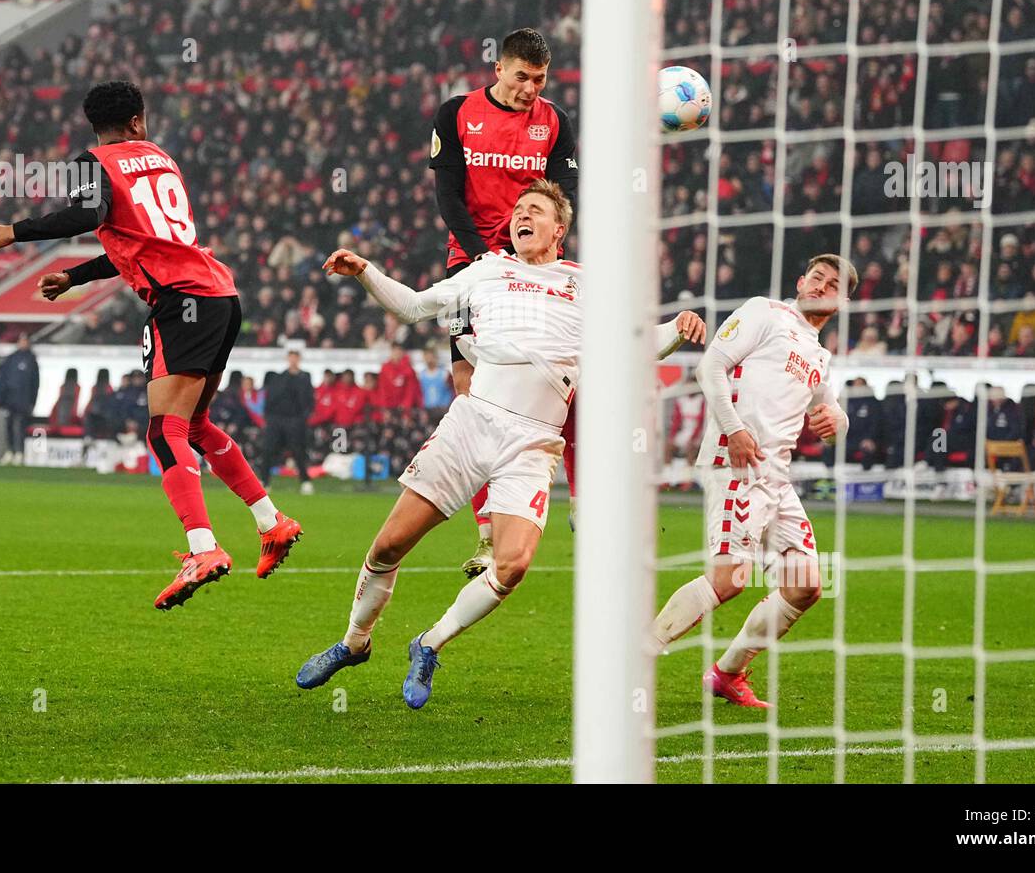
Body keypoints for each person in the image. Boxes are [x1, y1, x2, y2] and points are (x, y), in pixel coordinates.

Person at [295, 180, 705, 709]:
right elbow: (416, 307)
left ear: (559, 229)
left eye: (534, 210)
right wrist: (365, 272)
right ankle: (354, 642)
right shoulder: (487, 269)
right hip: (472, 424)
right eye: (517, 210)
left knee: (511, 565)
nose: (521, 216)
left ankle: (429, 643)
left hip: (533, 442)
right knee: (388, 546)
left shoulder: (586, 284)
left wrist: (678, 326)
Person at [0, 80, 302, 609]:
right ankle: (271, 520)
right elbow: (142, 242)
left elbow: (87, 215)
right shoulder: (161, 158)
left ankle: (203, 549)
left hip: (180, 301)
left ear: (94, 125)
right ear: (138, 121)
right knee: (194, 426)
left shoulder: (92, 162)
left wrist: (14, 230)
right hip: (219, 294)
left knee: (164, 430)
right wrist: (75, 276)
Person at [650, 254, 856, 709]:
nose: (821, 286)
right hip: (736, 463)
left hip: (777, 478)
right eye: (816, 277)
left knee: (806, 585)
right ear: (800, 282)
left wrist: (836, 422)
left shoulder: (819, 356)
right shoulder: (765, 312)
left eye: (833, 285)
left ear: (842, 302)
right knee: (729, 580)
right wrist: (735, 429)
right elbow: (710, 367)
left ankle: (727, 673)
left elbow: (832, 415)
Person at [429, 28, 579, 577]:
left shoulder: (555, 122)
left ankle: (580, 500)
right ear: (499, 69)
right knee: (469, 387)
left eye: (539, 80)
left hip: (534, 265)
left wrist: (532, 256)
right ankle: (487, 535)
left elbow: (565, 198)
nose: (530, 89)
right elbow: (448, 196)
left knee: (562, 379)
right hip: (470, 263)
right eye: (522, 77)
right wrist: (481, 258)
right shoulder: (456, 113)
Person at [262, 350, 315, 494]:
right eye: (291, 357)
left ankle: (305, 481)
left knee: (298, 451)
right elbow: (270, 398)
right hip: (276, 419)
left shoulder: (305, 378)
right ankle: (264, 481)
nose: (293, 360)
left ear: (299, 359)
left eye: (295, 357)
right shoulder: (279, 378)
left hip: (295, 420)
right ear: (287, 359)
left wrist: (302, 419)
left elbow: (308, 400)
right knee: (267, 450)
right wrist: (269, 417)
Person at [0, 334, 40, 464]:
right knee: (9, 426)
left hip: (23, 400)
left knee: (20, 426)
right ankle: (10, 451)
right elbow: (3, 379)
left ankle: (19, 452)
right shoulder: (11, 359)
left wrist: (33, 401)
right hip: (9, 399)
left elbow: (35, 383)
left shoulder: (31, 360)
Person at [417, 346, 454, 410]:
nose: (429, 360)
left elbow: (452, 391)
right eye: (427, 357)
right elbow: (419, 393)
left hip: (443, 409)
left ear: (435, 357)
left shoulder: (445, 374)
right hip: (427, 409)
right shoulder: (421, 375)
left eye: (431, 357)